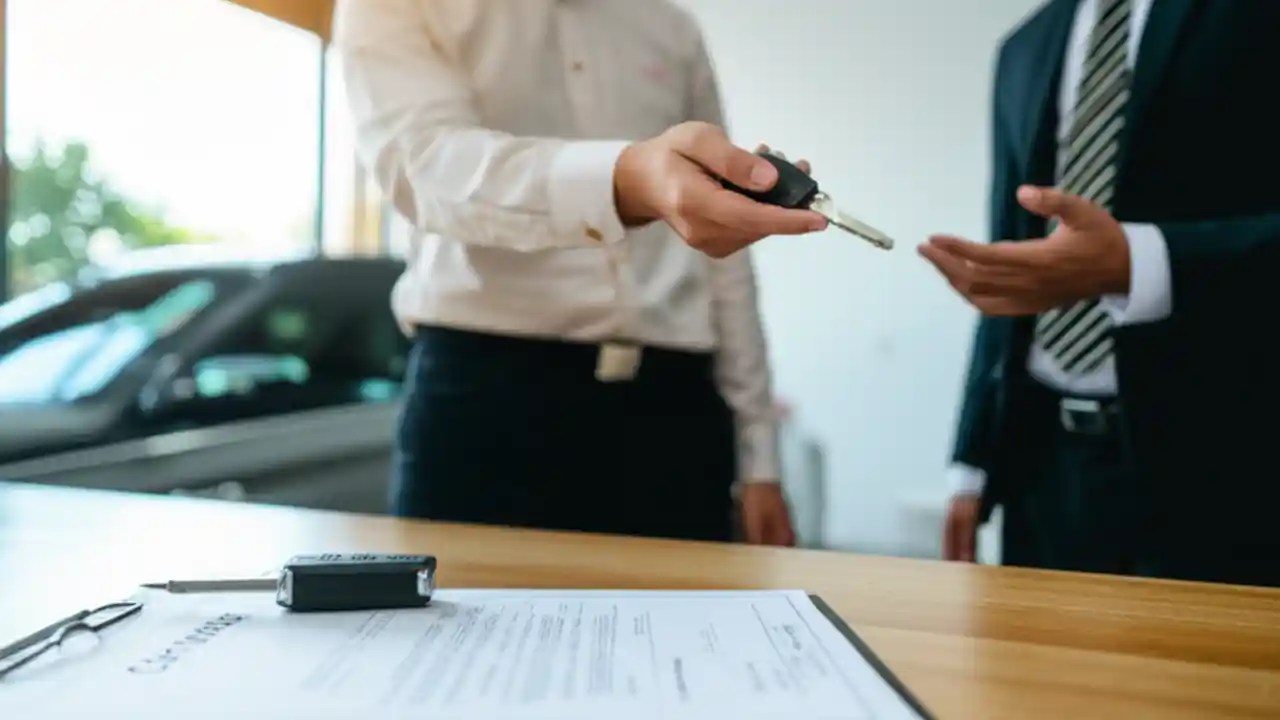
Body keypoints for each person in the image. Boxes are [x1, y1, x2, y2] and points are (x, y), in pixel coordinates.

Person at [333, 0, 828, 544]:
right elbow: (424, 167)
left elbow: (726, 259)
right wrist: (622, 180)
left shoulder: (671, 27)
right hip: (485, 402)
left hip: (676, 407)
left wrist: (759, 460)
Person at [919, 0, 1280, 587]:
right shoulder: (1024, 48)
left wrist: (1141, 262)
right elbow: (1013, 264)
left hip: (1228, 462)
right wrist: (971, 461)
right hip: (1044, 472)